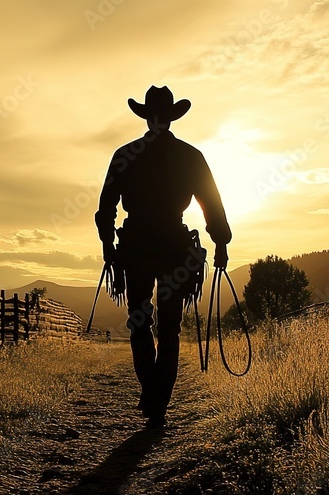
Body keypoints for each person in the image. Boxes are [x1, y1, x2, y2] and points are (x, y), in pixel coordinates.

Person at [95, 85, 232, 429]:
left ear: (147, 116)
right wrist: (221, 243)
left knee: (140, 321)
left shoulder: (125, 154)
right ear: (171, 118)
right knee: (169, 328)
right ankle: (158, 400)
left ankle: (152, 392)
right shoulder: (190, 156)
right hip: (175, 249)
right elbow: (212, 205)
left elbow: (106, 207)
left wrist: (108, 246)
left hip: (136, 247)